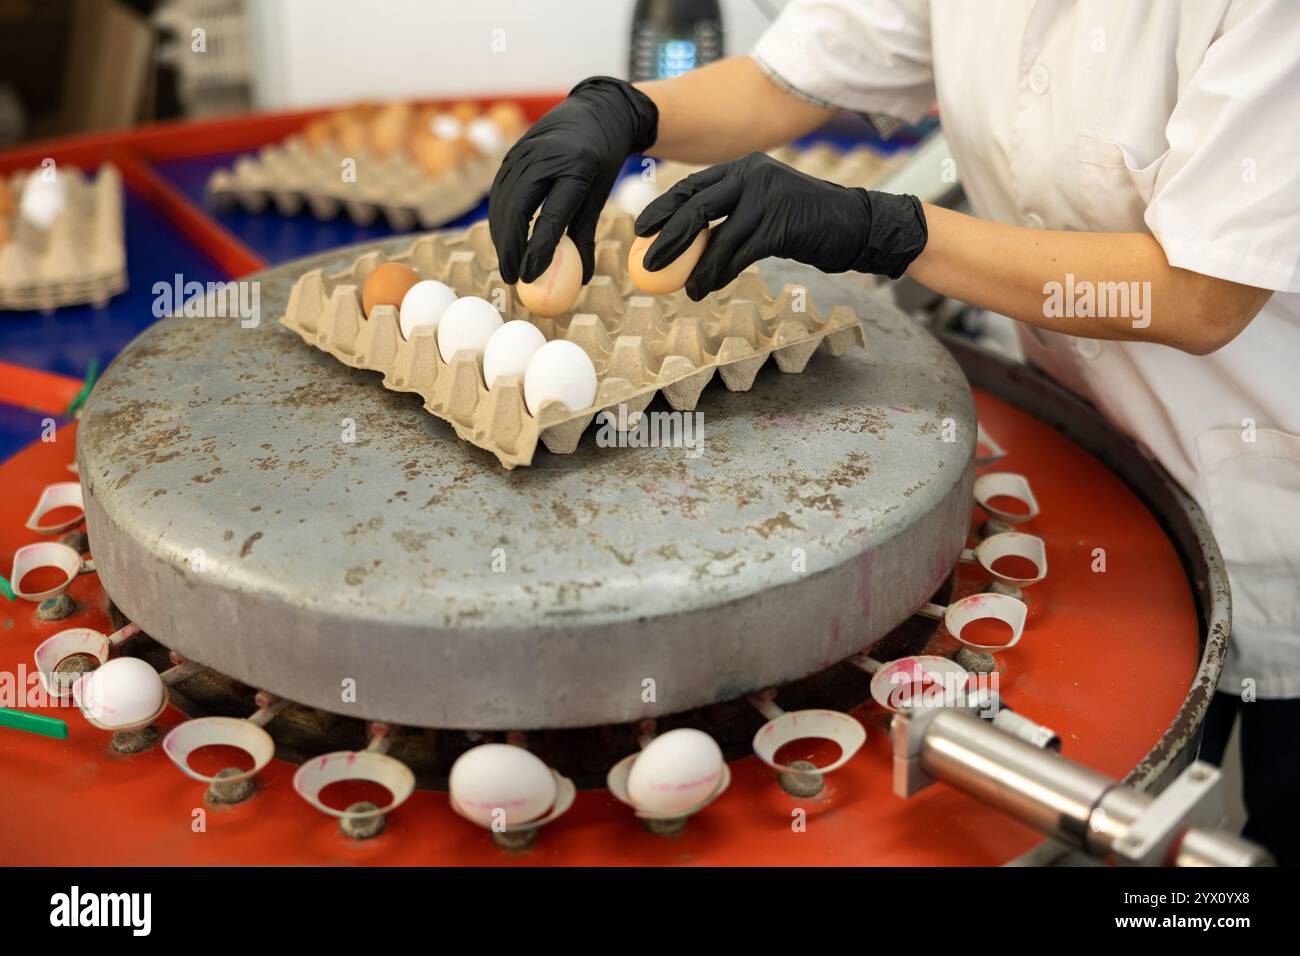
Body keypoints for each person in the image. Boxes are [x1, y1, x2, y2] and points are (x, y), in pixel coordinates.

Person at [488, 0, 1300, 864]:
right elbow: (786, 81)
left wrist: (887, 230)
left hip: (1278, 488)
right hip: (1115, 469)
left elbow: (1197, 297)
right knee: (1144, 803)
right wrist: (627, 112)